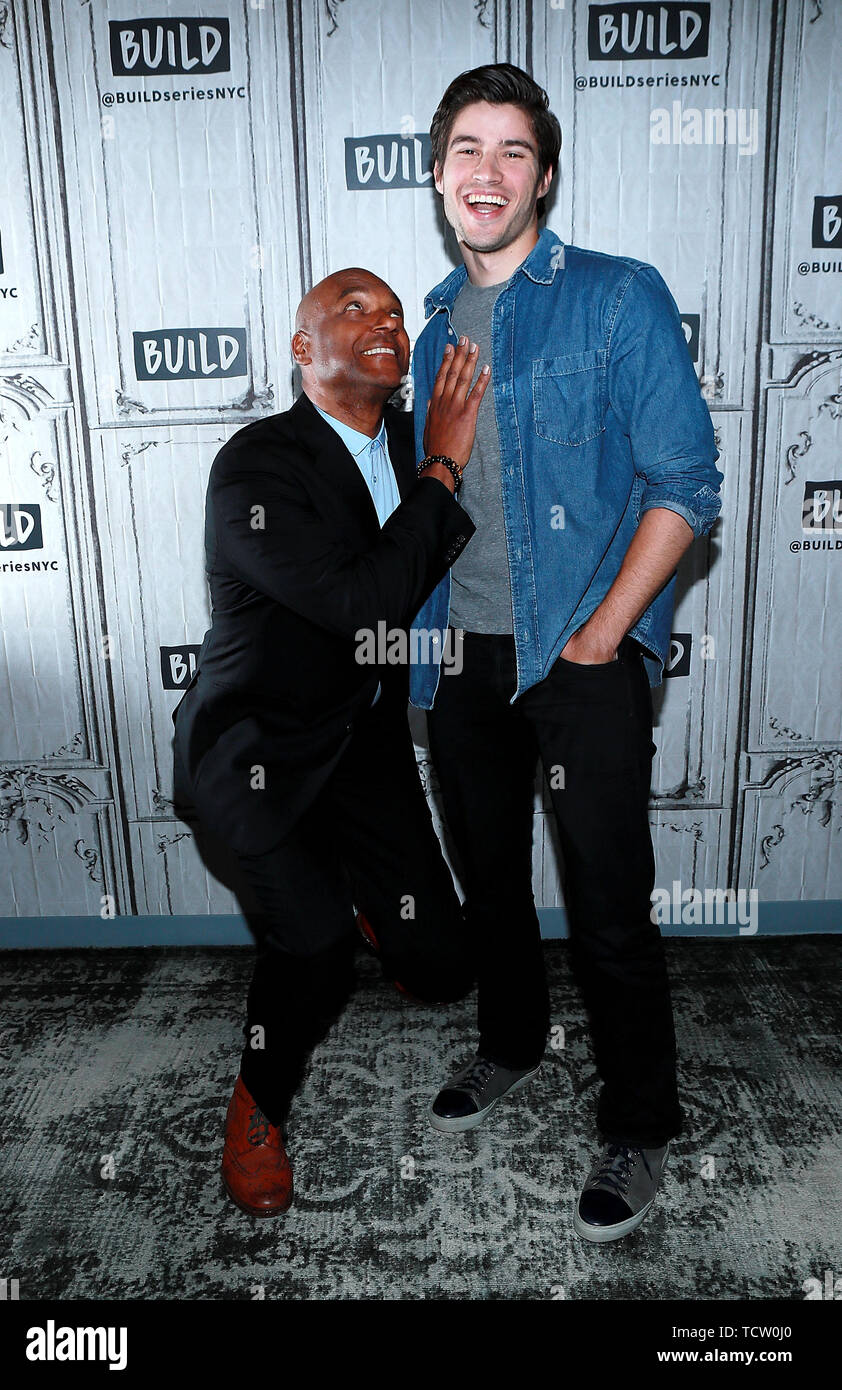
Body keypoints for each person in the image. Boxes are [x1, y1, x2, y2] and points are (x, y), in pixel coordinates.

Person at [408, 64, 723, 1242]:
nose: (486, 174)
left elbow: (684, 485)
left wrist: (600, 638)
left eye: (511, 153)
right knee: (489, 883)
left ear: (542, 175)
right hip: (462, 656)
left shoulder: (612, 296)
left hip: (578, 656)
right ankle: (511, 1043)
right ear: (436, 174)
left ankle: (638, 1121)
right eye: (466, 151)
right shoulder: (427, 324)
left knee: (605, 905)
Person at [171, 267, 489, 1217]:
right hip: (257, 750)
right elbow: (361, 604)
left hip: (362, 744)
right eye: (353, 310)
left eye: (393, 311)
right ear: (304, 351)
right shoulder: (256, 467)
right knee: (309, 951)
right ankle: (256, 1106)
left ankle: (372, 910)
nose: (382, 320)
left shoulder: (404, 431)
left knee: (440, 970)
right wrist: (442, 470)